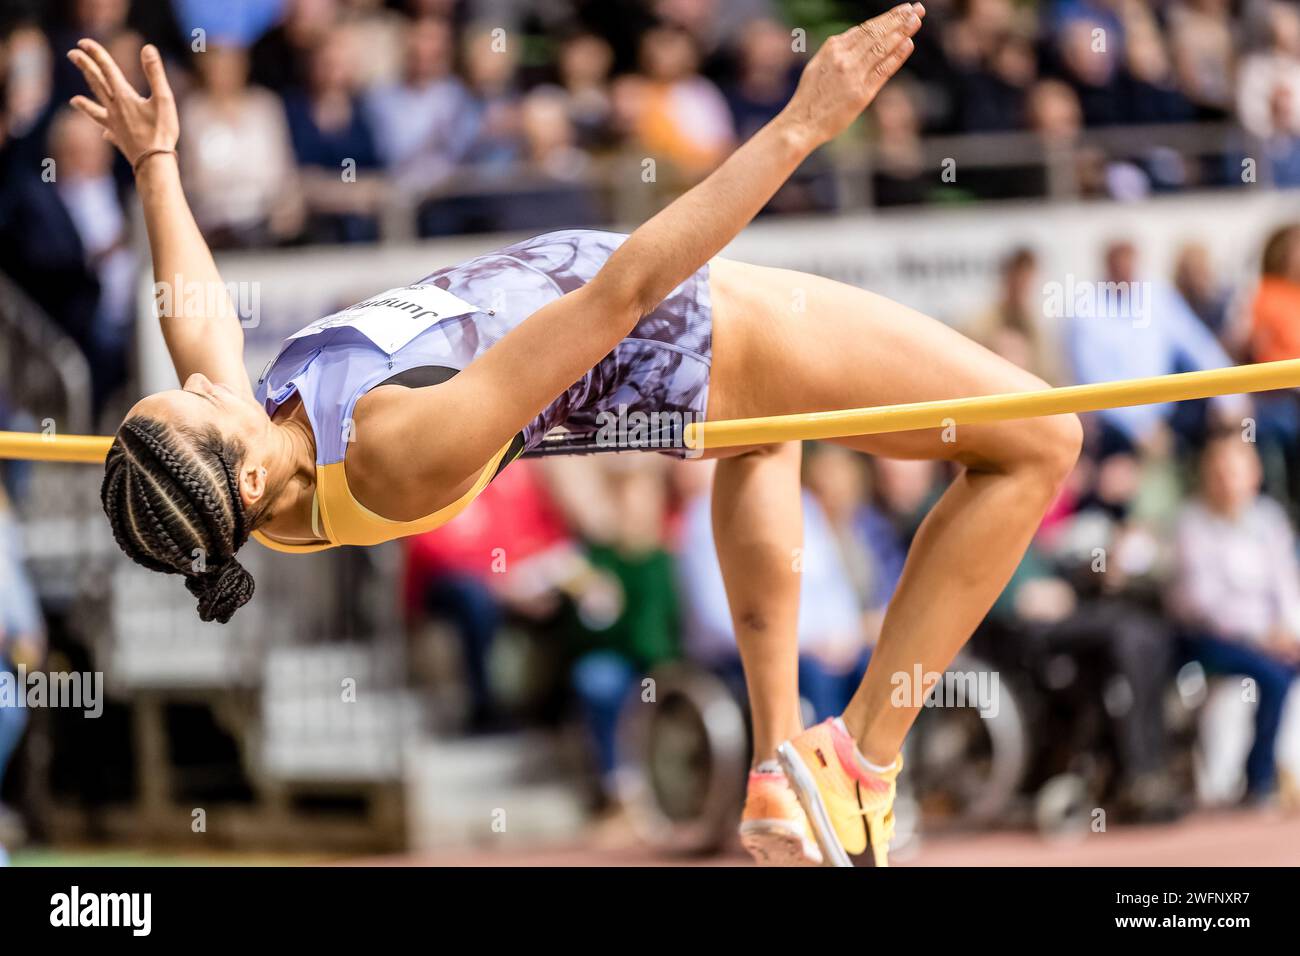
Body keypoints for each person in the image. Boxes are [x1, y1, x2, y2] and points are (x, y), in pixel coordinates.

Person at [70, 5, 1084, 868]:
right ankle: (860, 753)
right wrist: (798, 127)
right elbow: (622, 294)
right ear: (240, 470)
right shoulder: (391, 450)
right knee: (1039, 441)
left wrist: (157, 162)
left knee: (760, 444)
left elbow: (192, 321)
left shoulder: (253, 461)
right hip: (682, 327)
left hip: (649, 336)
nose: (206, 378)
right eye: (199, 398)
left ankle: (779, 760)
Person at [1172, 430, 1300, 803]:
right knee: (1274, 679)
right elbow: (1202, 603)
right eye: (1219, 471)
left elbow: (1285, 585)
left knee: (1286, 668)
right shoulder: (1191, 524)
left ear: (1254, 475)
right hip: (1210, 638)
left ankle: (1286, 769)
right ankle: (1260, 781)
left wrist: (1291, 633)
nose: (1227, 480)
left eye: (1235, 470)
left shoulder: (1268, 519)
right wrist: (1262, 636)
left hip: (1267, 636)